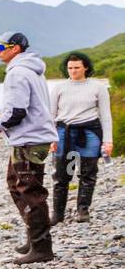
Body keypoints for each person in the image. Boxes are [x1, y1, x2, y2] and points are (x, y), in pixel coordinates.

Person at [0, 31, 57, 264]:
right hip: (30, 138)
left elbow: (16, 112)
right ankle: (33, 239)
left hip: (29, 139)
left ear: (16, 48)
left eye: (2, 47)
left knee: (30, 192)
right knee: (16, 186)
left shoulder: (18, 72)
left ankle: (42, 248)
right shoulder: (31, 70)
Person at [50, 51, 113, 224]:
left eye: (77, 67)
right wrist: (51, 139)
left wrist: (108, 141)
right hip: (64, 132)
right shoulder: (59, 88)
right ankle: (57, 214)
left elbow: (105, 115)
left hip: (90, 132)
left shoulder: (97, 87)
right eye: (70, 68)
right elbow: (51, 115)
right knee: (61, 175)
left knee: (88, 173)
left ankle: (83, 210)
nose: (73, 71)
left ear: (85, 67)